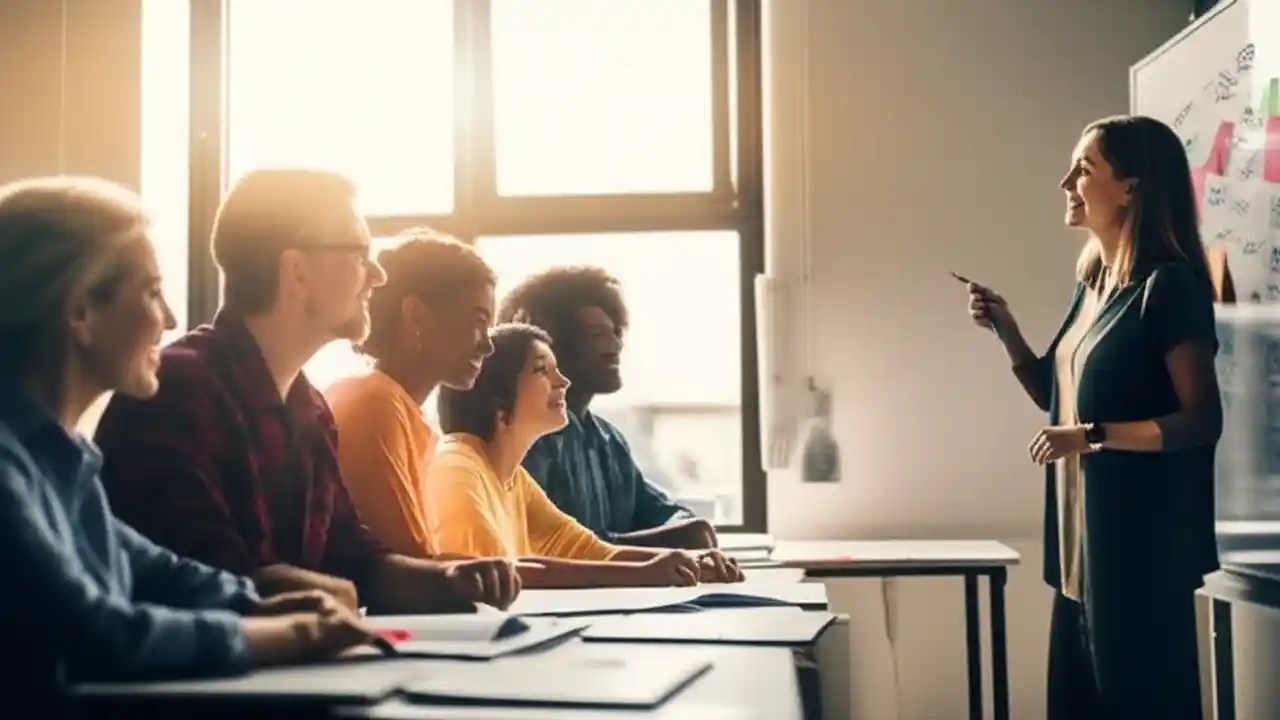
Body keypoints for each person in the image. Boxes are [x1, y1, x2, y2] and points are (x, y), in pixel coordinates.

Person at [0, 176, 376, 700]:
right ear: (81, 312)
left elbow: (158, 571)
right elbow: (96, 633)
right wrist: (292, 632)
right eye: (152, 292)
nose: (171, 319)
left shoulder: (62, 462)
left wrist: (252, 605)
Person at [95, 170, 520, 614]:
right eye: (359, 254)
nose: (377, 276)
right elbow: (217, 583)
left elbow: (353, 560)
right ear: (297, 272)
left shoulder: (310, 408)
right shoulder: (174, 393)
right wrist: (341, 593)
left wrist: (449, 579)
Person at [960, 115, 1221, 718]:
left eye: (1083, 168)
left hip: (1139, 564)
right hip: (1079, 565)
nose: (1066, 182)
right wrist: (1007, 331)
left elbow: (1201, 420)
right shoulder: (1096, 286)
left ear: (1131, 187)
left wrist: (1093, 437)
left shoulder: (1169, 288)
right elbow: (1055, 395)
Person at [427, 323, 744, 587]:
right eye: (542, 371)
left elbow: (586, 550)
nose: (563, 381)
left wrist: (686, 561)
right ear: (496, 397)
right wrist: (643, 573)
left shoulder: (513, 479)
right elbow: (496, 572)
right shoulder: (457, 466)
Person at [497, 267, 718, 549]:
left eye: (616, 332)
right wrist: (664, 543)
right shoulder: (530, 441)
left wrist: (686, 528)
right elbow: (543, 547)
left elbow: (663, 512)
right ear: (553, 347)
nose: (616, 345)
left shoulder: (608, 439)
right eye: (597, 335)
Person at [326, 229, 496, 558]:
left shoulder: (396, 407)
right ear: (416, 314)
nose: (488, 345)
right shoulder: (375, 403)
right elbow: (411, 563)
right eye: (479, 321)